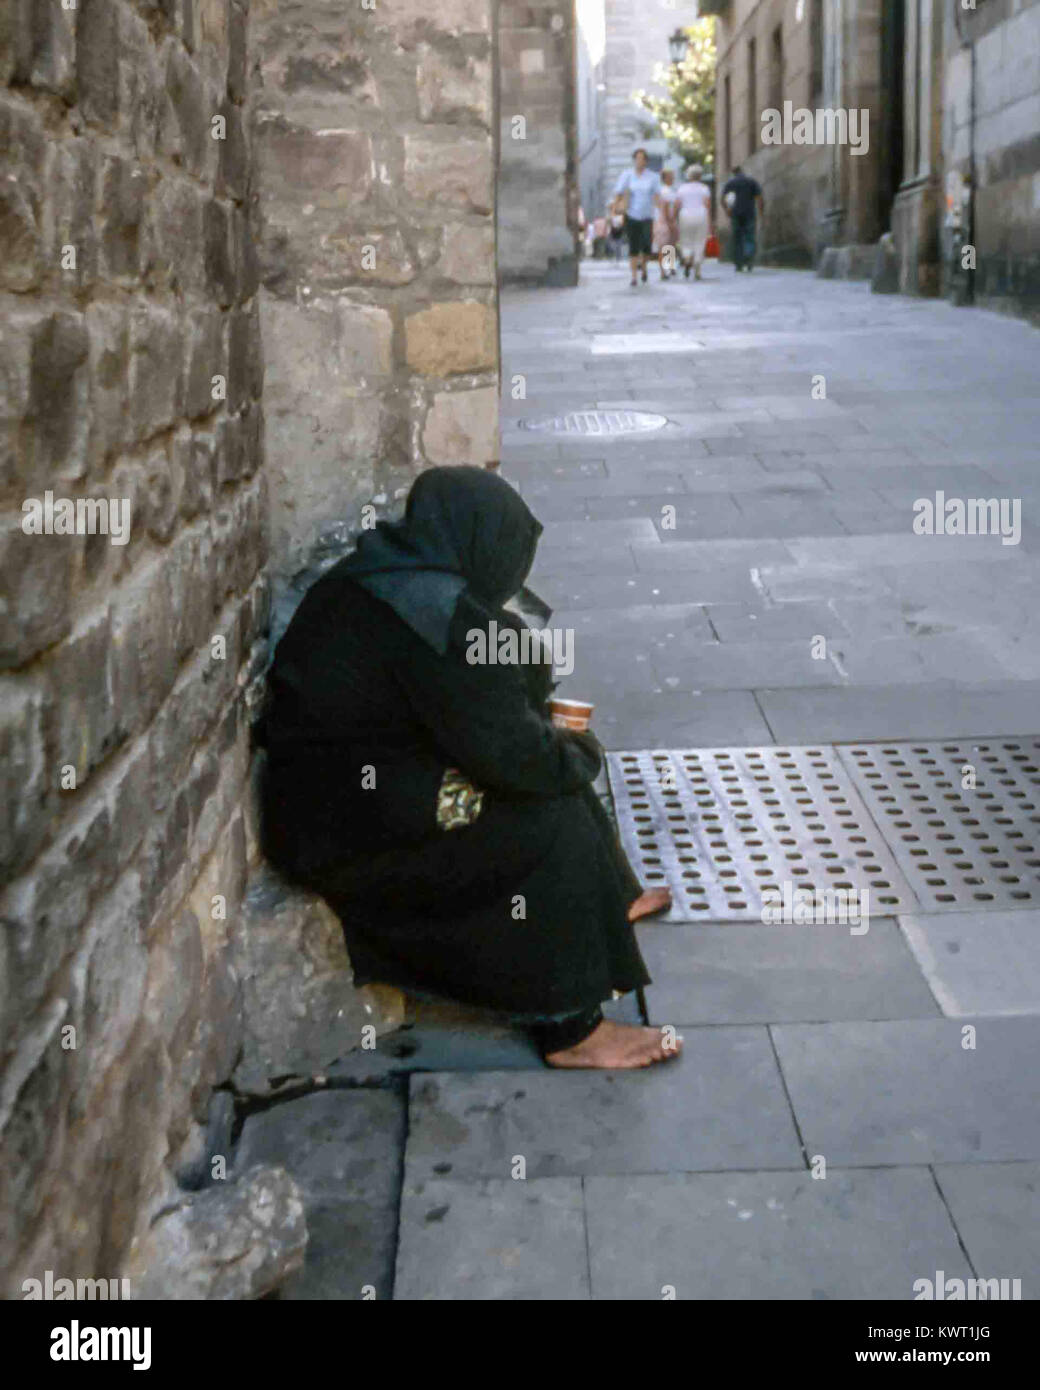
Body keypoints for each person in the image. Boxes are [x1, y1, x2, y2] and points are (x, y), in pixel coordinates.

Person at [259, 467, 681, 1070]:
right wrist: (582, 750)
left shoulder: (385, 570)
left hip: (338, 794)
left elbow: (482, 714)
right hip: (347, 827)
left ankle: (610, 899)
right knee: (545, 811)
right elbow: (519, 759)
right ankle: (571, 1028)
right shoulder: (442, 618)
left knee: (551, 772)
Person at [612, 148, 661, 287]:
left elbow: (657, 196)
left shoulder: (653, 177)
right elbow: (618, 193)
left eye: (642, 158)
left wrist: (659, 214)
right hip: (631, 215)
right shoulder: (627, 175)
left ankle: (645, 268)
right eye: (637, 158)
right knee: (633, 246)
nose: (639, 161)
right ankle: (634, 276)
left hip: (647, 215)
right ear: (634, 160)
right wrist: (614, 211)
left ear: (646, 161)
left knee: (647, 245)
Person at [674, 163, 713, 280]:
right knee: (700, 241)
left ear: (689, 176)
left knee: (686, 240)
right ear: (700, 176)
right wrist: (710, 222)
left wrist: (674, 218)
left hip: (685, 215)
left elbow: (677, 205)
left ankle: (686, 257)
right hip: (701, 215)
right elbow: (707, 205)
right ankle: (697, 268)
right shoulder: (704, 188)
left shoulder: (682, 188)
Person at [721, 164, 764, 271]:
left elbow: (722, 198)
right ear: (742, 171)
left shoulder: (730, 183)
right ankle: (749, 257)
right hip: (749, 213)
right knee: (749, 236)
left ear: (733, 173)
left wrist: (727, 210)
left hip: (735, 214)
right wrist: (761, 212)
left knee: (737, 238)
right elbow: (759, 198)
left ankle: (739, 264)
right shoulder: (751, 181)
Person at [652, 169, 680, 280]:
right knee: (664, 246)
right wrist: (671, 222)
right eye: (670, 176)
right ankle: (663, 271)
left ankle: (670, 267)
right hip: (665, 221)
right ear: (665, 178)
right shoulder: (666, 192)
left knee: (669, 245)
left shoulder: (667, 191)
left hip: (664, 220)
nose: (672, 178)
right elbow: (666, 209)